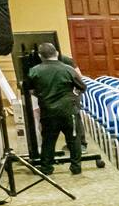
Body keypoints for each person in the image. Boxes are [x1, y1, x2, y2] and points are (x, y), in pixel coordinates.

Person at [26, 43, 86, 175]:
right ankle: (76, 167)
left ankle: (47, 168)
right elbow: (82, 87)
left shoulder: (34, 70)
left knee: (48, 140)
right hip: (68, 110)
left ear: (40, 56)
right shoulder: (68, 69)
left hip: (48, 110)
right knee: (73, 139)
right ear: (57, 53)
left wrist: (42, 95)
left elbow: (30, 90)